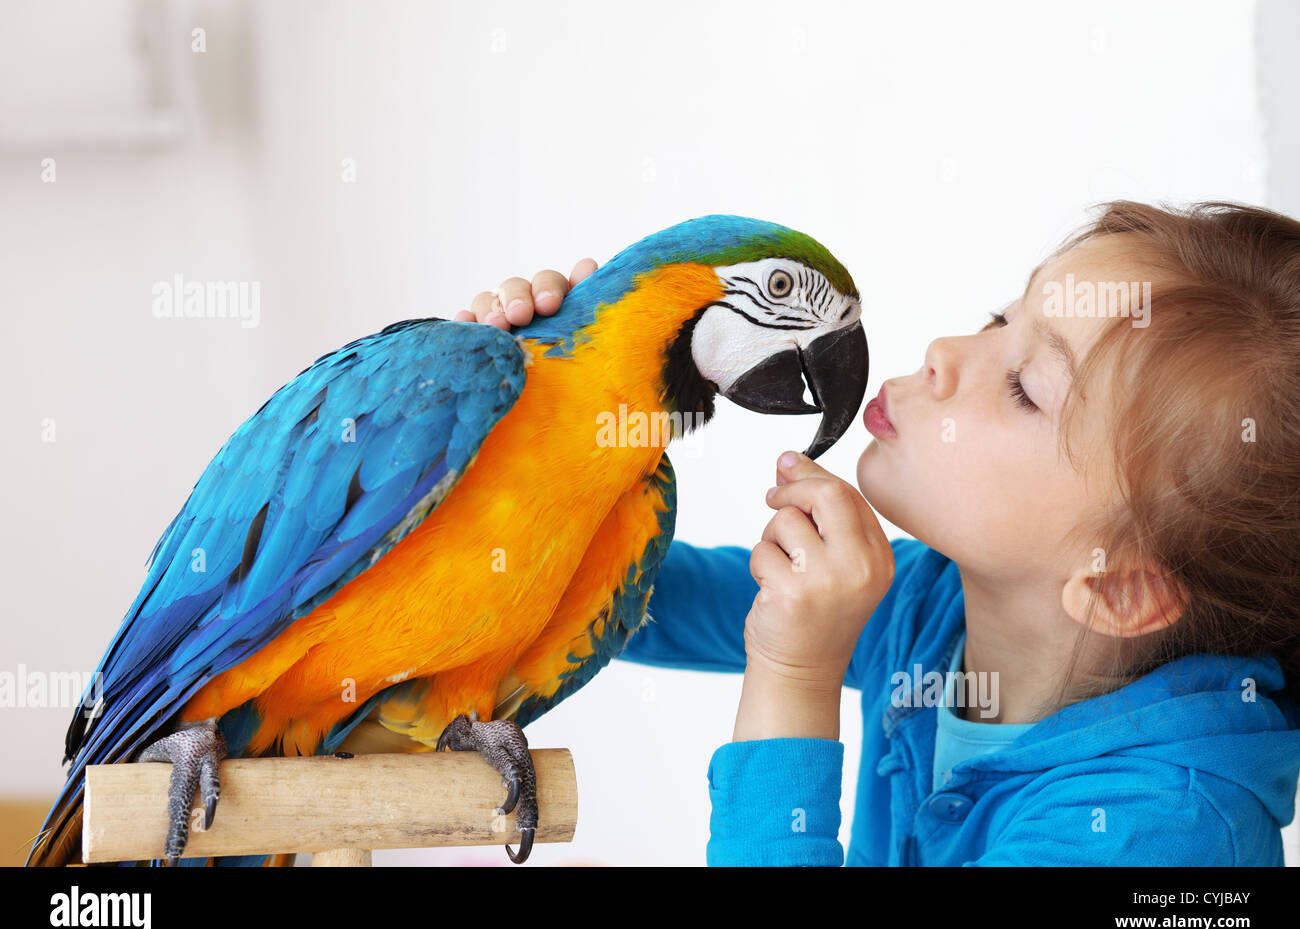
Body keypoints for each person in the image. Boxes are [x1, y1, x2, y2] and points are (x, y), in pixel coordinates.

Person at [454, 200, 1300, 866]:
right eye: (999, 318)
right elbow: (634, 600)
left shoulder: (1165, 840)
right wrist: (533, 429)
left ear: (1117, 585)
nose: (944, 351)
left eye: (1026, 388)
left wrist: (795, 673)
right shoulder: (926, 609)